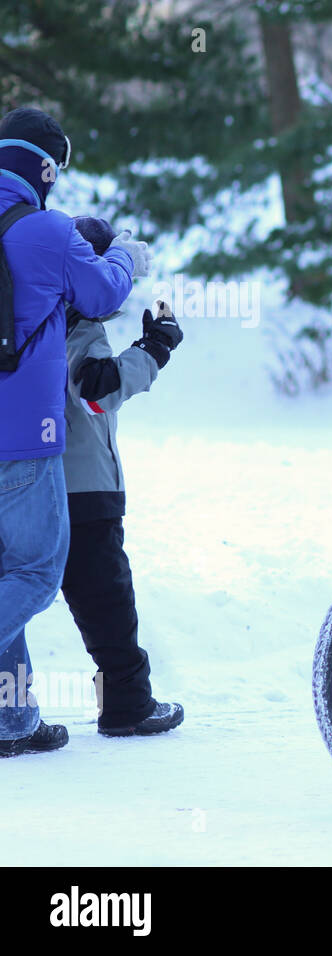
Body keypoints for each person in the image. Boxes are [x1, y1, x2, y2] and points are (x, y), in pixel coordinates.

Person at [0, 107, 149, 756]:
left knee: (7, 571)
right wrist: (124, 255)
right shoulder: (48, 232)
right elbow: (102, 292)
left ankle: (13, 718)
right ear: (46, 168)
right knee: (36, 570)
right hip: (23, 441)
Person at [60, 215, 185, 737]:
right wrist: (155, 348)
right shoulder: (80, 326)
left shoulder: (34, 316)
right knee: (107, 600)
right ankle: (128, 705)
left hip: (37, 481)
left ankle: (12, 706)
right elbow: (98, 389)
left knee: (22, 591)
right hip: (85, 488)